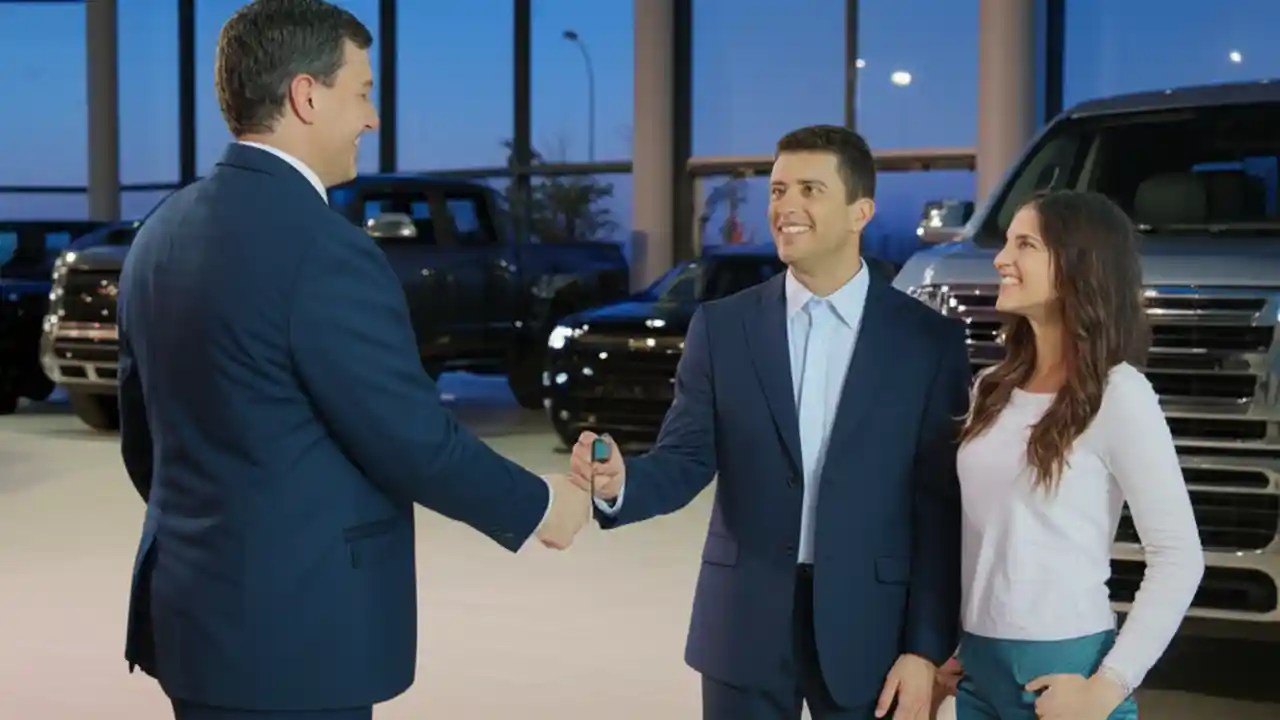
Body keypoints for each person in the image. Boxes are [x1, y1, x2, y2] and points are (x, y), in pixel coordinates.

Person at [117, 2, 589, 718]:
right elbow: (411, 440)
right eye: (362, 92)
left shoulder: (159, 234)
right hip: (298, 640)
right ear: (307, 96)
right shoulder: (328, 251)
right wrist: (544, 506)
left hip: (192, 623)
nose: (372, 118)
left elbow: (143, 443)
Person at [568, 125, 973, 720]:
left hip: (873, 628)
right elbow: (684, 459)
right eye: (779, 190)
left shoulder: (927, 340)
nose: (786, 207)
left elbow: (937, 508)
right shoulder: (722, 327)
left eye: (810, 189)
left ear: (861, 210)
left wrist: (925, 647)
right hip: (744, 623)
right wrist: (619, 484)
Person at [936, 190, 1204, 719]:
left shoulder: (1119, 394)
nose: (1000, 259)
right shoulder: (992, 386)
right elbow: (981, 531)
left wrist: (1107, 687)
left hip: (1066, 672)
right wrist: (958, 638)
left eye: (1024, 244)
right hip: (977, 664)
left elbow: (1179, 557)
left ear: (1077, 265)